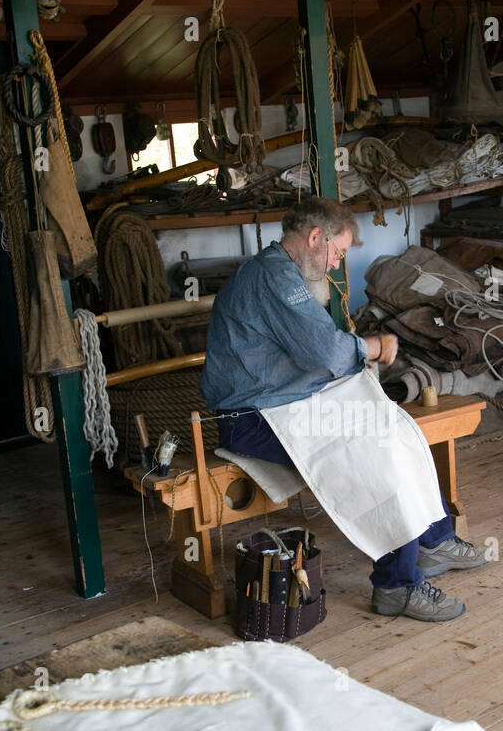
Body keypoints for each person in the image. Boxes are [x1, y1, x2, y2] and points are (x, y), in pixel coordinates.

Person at [200, 196, 486, 622]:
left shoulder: (280, 272)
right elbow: (328, 352)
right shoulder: (275, 278)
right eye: (339, 252)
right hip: (251, 418)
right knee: (370, 451)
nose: (336, 265)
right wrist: (376, 346)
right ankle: (397, 586)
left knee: (394, 427)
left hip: (283, 403)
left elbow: (315, 350)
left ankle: (433, 537)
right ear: (316, 237)